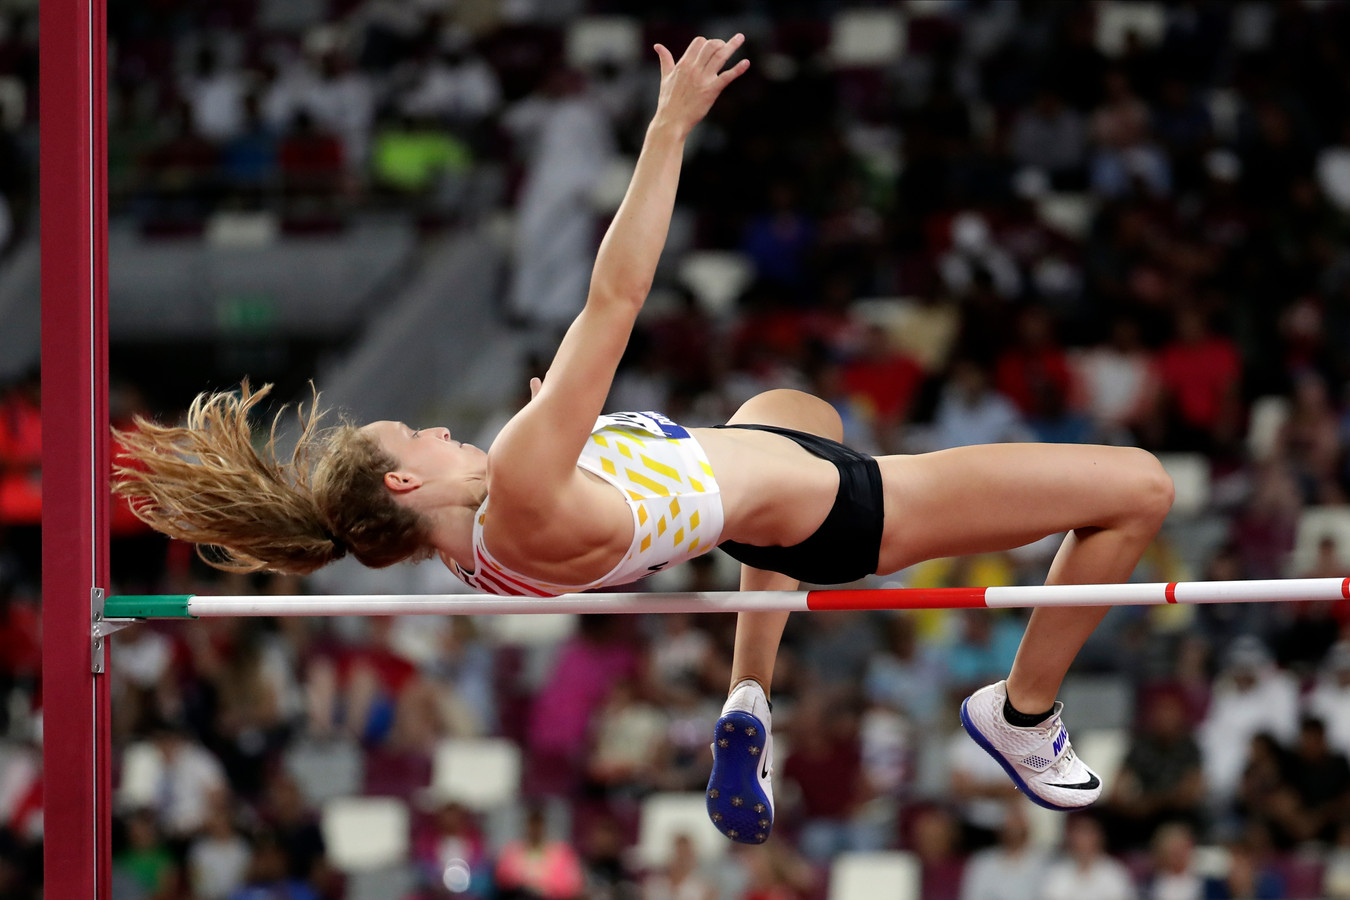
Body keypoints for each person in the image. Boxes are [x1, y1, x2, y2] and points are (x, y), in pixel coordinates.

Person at [114, 35, 1175, 845]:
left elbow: (541, 506)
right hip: (851, 516)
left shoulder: (485, 550)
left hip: (766, 489)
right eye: (422, 434)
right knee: (1137, 491)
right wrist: (669, 126)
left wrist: (563, 436)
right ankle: (1023, 713)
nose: (442, 427)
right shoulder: (522, 481)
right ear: (403, 477)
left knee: (797, 407)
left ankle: (747, 698)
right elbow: (615, 298)